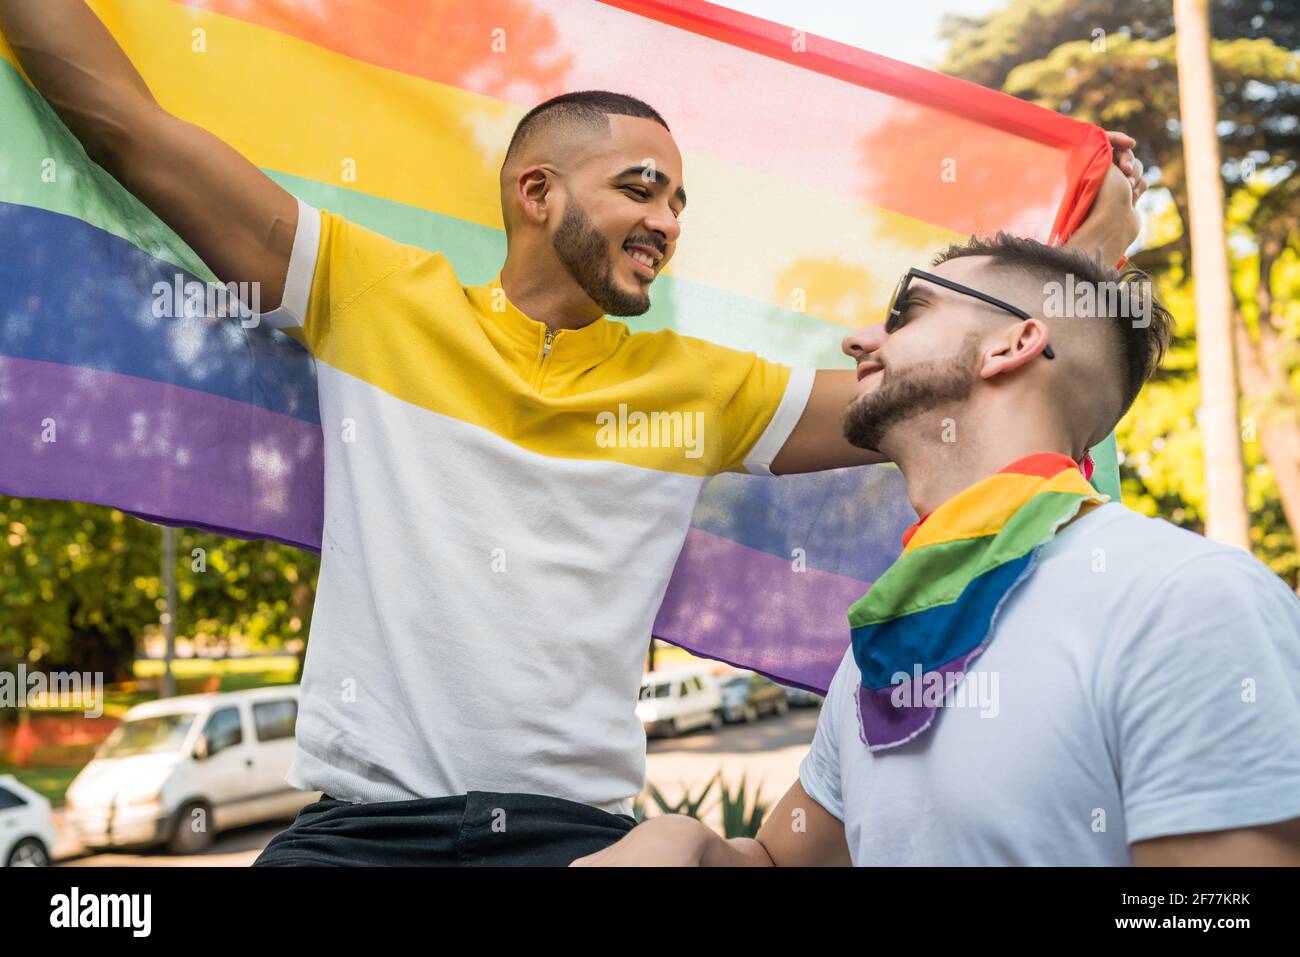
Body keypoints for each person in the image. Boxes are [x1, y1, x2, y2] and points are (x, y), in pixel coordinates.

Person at [0, 1, 1145, 866]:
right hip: (352, 841)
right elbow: (127, 131)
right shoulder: (367, 294)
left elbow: (946, 389)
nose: (666, 223)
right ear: (536, 191)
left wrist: (1085, 264)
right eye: (642, 189)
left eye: (681, 205)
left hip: (578, 847)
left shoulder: (702, 387)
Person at [572, 232, 1300, 867]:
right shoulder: (884, 642)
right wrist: (688, 842)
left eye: (906, 313)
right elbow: (778, 860)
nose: (860, 340)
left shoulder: (1184, 597)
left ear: (1013, 343)